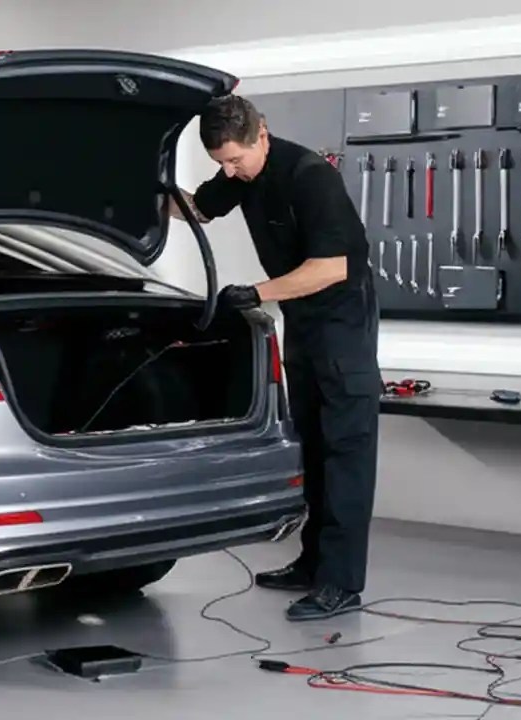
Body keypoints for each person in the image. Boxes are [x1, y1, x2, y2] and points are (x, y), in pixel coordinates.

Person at [168, 95, 381, 621]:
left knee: (345, 452)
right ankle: (312, 565)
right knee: (312, 446)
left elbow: (331, 267)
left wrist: (256, 292)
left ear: (261, 134)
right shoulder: (243, 173)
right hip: (303, 323)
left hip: (342, 325)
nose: (229, 170)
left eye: (234, 159)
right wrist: (143, 194)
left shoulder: (311, 177)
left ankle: (341, 584)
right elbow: (198, 209)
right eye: (220, 162)